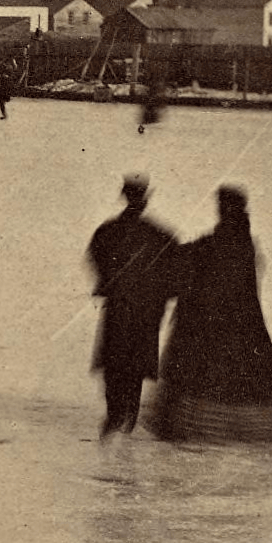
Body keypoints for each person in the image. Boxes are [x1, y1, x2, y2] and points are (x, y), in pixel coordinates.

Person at [143, 186, 272, 446]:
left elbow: (196, 262)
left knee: (202, 381)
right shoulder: (242, 241)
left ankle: (196, 434)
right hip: (241, 329)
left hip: (210, 329)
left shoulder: (228, 243)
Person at [87, 174, 178, 439]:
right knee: (135, 369)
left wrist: (107, 285)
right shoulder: (160, 235)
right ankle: (126, 420)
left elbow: (96, 259)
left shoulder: (107, 231)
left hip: (118, 308)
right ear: (145, 200)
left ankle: (115, 415)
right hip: (146, 312)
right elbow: (175, 269)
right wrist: (161, 297)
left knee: (114, 365)